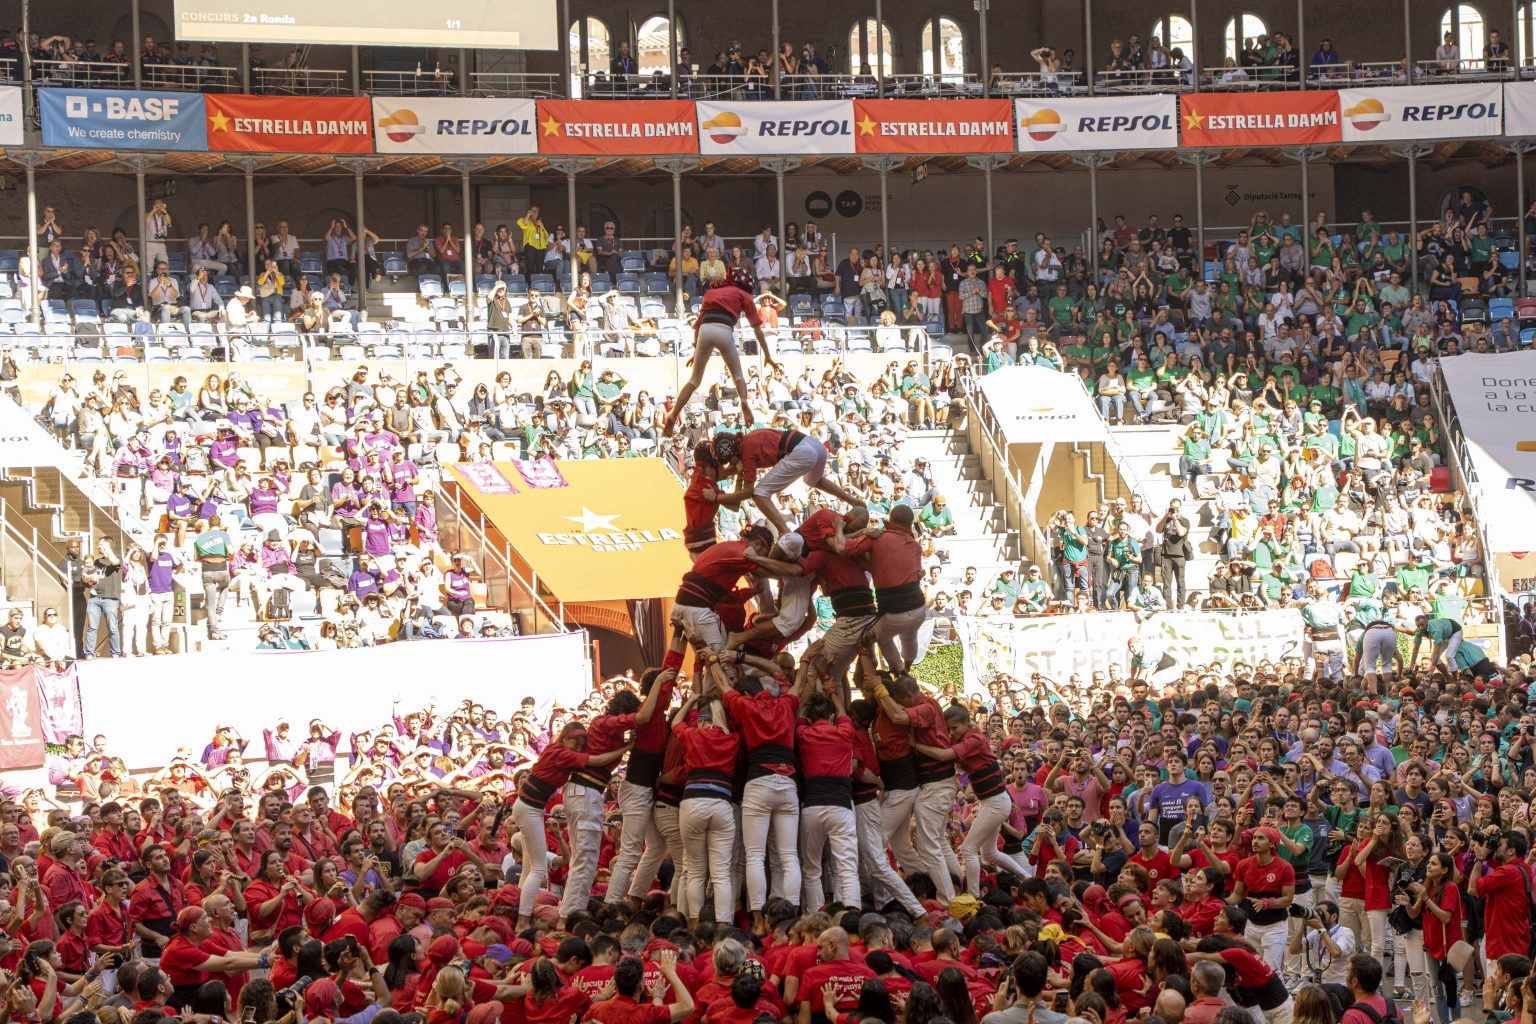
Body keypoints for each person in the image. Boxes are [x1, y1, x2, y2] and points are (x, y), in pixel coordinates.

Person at [663, 267, 777, 437]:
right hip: (724, 329)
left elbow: (698, 325)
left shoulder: (711, 293)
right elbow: (757, 329)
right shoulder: (744, 295)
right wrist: (767, 355)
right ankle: (744, 402)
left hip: (705, 330)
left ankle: (673, 415)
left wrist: (695, 351)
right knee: (738, 376)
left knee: (694, 380)